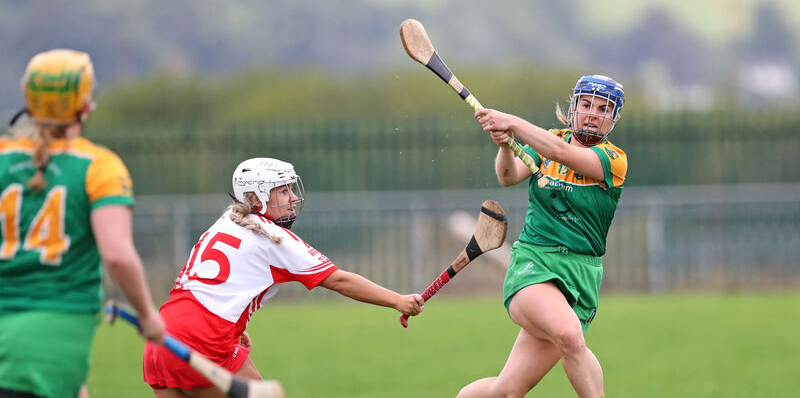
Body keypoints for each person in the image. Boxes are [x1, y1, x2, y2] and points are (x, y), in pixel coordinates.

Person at [142, 157, 425, 397]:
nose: (293, 198)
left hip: (161, 338)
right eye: (283, 191)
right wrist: (398, 300)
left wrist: (234, 330)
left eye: (291, 189)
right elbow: (340, 280)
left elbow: (204, 287)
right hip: (204, 342)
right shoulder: (273, 238)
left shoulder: (225, 222)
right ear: (256, 198)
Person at [0, 49, 165, 398]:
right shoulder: (99, 166)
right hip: (53, 338)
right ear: (85, 104)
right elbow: (116, 254)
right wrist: (147, 314)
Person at [458, 75, 627, 398]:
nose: (593, 114)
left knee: (506, 391)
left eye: (603, 109)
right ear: (574, 107)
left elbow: (561, 153)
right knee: (570, 336)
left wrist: (512, 123)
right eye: (587, 104)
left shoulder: (613, 160)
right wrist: (506, 146)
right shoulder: (548, 141)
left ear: (613, 119)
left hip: (582, 276)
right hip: (534, 265)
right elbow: (508, 176)